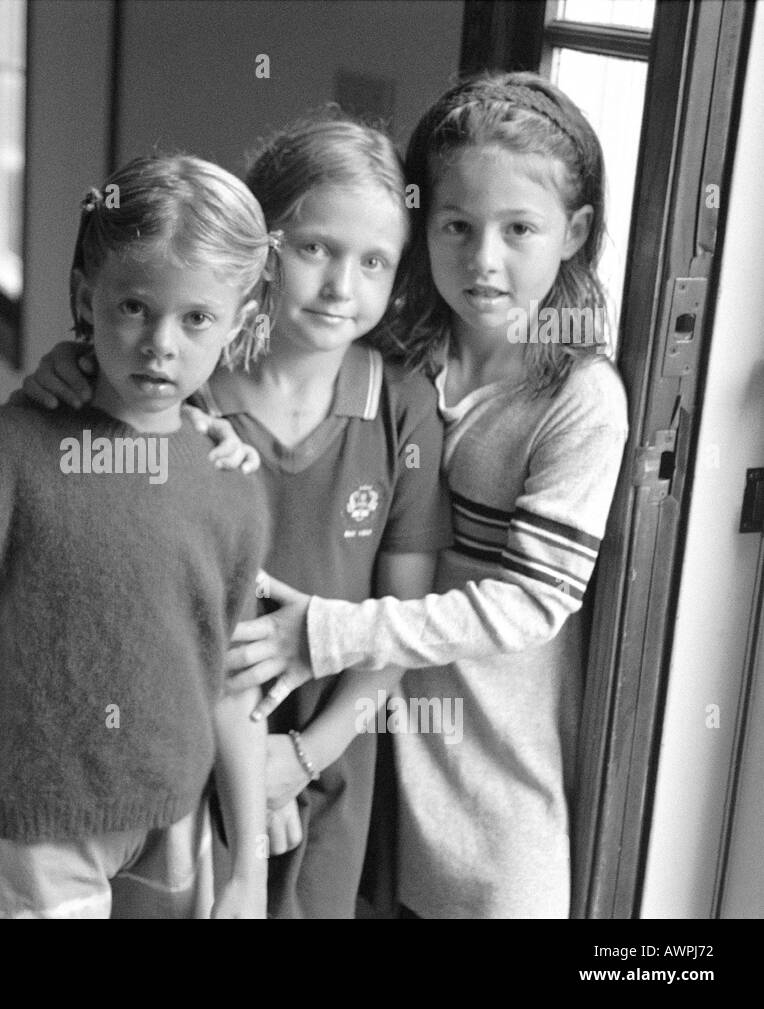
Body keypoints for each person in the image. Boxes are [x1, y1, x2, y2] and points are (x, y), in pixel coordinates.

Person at [20, 108, 450, 918]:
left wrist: (305, 754)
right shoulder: (188, 389)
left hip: (332, 752)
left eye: (374, 262)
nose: (339, 286)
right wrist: (65, 363)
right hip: (180, 748)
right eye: (314, 248)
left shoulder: (402, 408)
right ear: (257, 253)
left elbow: (407, 619)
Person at [228, 73, 630, 918]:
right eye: (456, 226)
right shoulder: (398, 346)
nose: (484, 259)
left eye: (519, 229)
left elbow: (530, 605)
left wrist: (329, 632)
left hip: (492, 776)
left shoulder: (579, 397)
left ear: (576, 232)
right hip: (369, 749)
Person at [0, 153, 275, 918]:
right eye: (133, 306)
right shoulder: (0, 455)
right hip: (36, 824)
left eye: (197, 318)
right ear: (83, 297)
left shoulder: (231, 482)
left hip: (173, 820)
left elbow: (233, 681)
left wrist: (249, 870)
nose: (161, 343)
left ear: (239, 323)